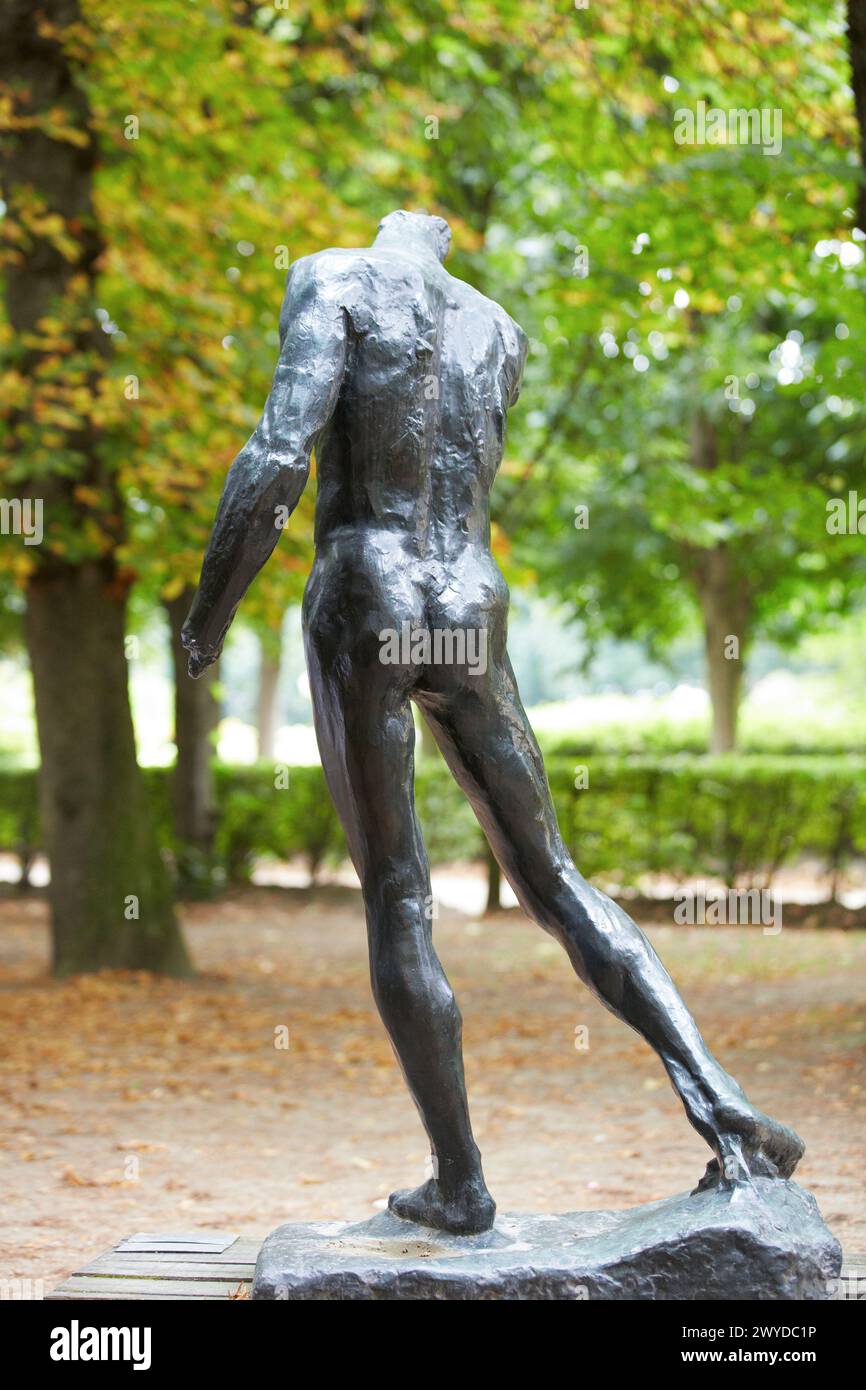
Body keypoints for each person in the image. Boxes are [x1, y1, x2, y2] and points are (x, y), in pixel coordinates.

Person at [182, 210, 803, 1234]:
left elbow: (280, 454)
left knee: (398, 893)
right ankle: (722, 1108)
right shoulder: (497, 328)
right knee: (553, 873)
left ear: (382, 237)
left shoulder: (332, 279)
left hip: (367, 593)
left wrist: (208, 614)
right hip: (468, 600)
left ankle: (460, 1181)